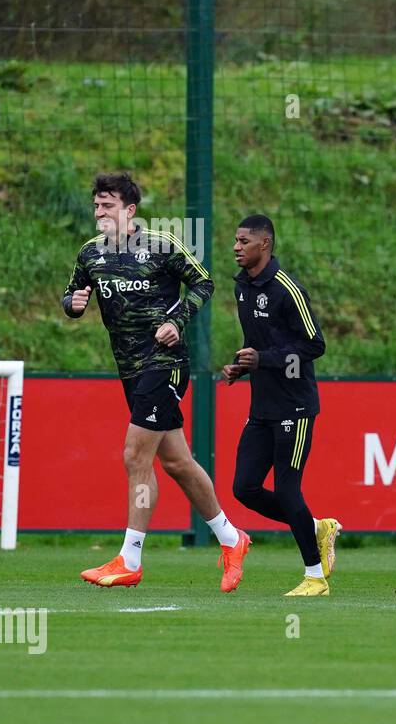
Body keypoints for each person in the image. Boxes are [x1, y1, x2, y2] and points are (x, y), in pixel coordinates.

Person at [66, 172, 250, 591]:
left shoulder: (161, 246)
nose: (99, 213)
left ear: (130, 210)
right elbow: (72, 294)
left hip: (165, 364)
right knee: (177, 463)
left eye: (108, 205)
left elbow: (204, 282)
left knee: (135, 456)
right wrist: (72, 304)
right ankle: (231, 538)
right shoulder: (90, 255)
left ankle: (129, 559)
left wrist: (176, 320)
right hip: (130, 371)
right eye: (96, 205)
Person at [223, 215, 342, 597]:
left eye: (244, 241)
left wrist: (265, 360)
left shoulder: (286, 289)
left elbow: (314, 345)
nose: (236, 247)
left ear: (265, 245)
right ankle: (316, 529)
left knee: (289, 491)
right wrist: (243, 366)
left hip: (295, 407)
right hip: (263, 407)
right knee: (244, 488)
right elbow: (260, 340)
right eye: (236, 241)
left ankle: (314, 577)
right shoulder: (244, 286)